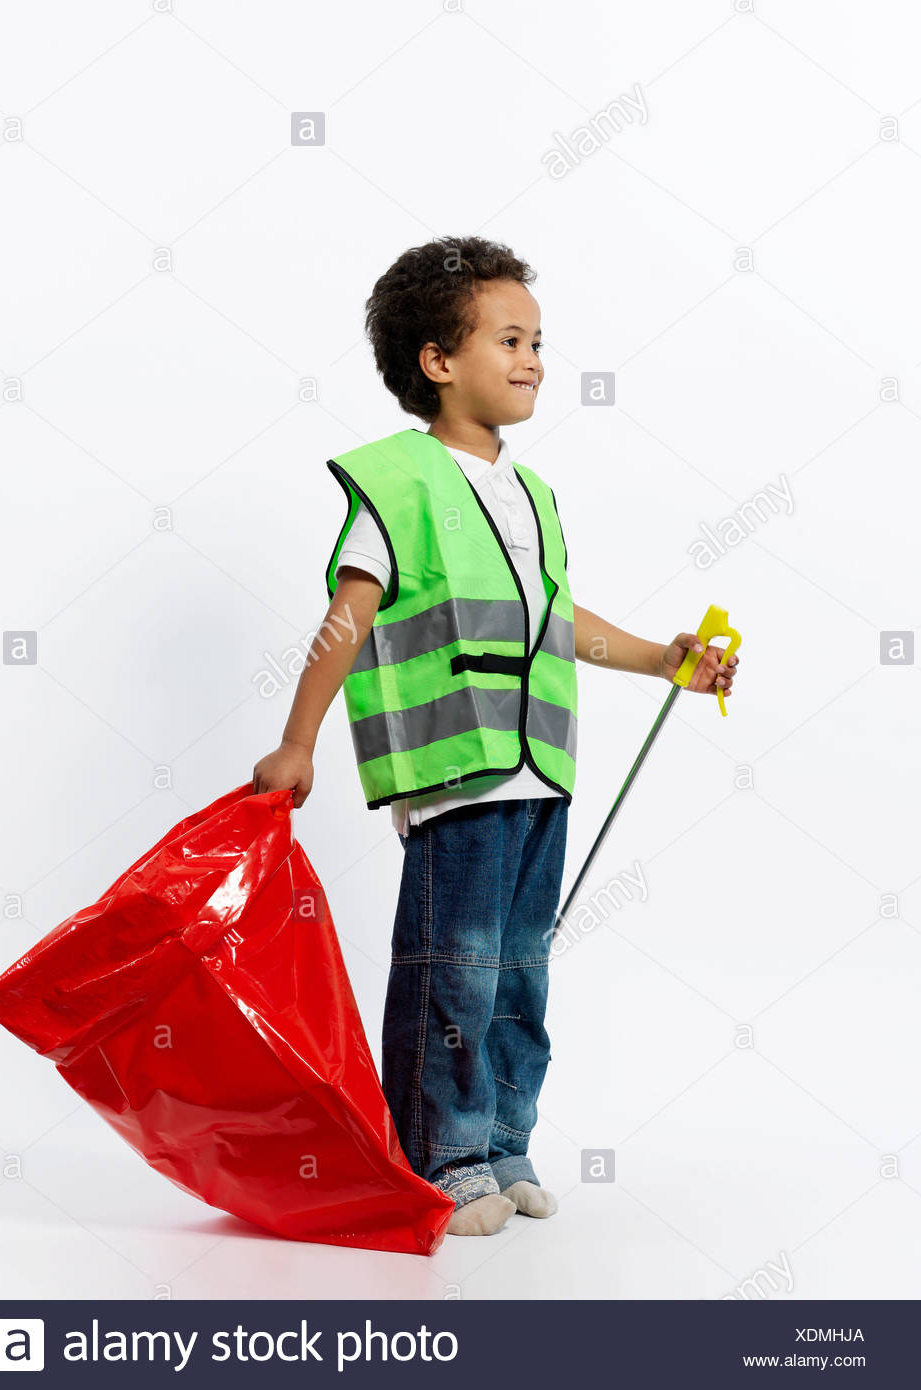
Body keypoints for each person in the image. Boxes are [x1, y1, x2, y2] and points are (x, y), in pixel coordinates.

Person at [253, 236, 740, 1237]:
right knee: (455, 964)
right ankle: (441, 1155)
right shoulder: (400, 484)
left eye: (537, 341)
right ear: (438, 359)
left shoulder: (530, 496)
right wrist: (296, 741)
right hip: (455, 772)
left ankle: (502, 1137)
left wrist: (664, 659)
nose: (532, 360)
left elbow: (554, 619)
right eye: (509, 339)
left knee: (521, 967)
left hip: (535, 771)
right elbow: (352, 612)